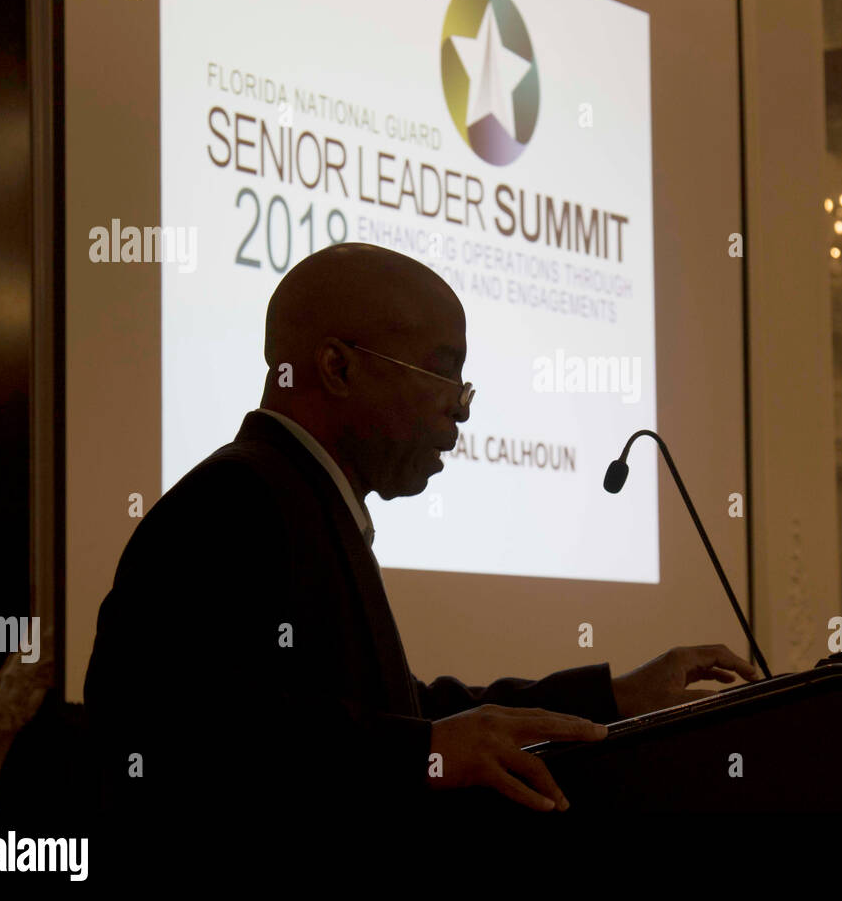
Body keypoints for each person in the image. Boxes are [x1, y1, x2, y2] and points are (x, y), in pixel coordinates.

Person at [84, 242, 756, 816]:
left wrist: (610, 697)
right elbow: (172, 734)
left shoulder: (302, 496)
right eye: (443, 372)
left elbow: (401, 712)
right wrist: (421, 753)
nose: (460, 409)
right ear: (337, 367)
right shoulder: (236, 498)